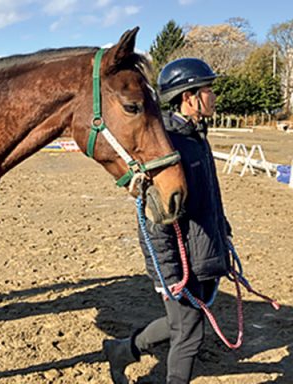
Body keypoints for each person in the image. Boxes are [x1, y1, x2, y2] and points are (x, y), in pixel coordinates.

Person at [103, 58, 232, 384]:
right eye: (208, 90)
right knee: (189, 335)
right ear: (189, 97)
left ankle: (122, 350)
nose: (213, 96)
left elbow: (209, 198)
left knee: (183, 325)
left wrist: (223, 235)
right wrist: (168, 274)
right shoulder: (168, 145)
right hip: (180, 259)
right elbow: (154, 219)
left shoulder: (195, 137)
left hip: (202, 251)